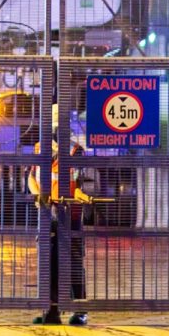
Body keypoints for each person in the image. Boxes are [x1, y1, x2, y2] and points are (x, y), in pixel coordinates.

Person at [29, 137, 96, 325]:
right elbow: (31, 178)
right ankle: (51, 310)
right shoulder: (39, 147)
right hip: (47, 214)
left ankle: (80, 310)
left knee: (74, 261)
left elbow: (78, 184)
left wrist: (79, 195)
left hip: (70, 215)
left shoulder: (76, 150)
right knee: (48, 262)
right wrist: (39, 195)